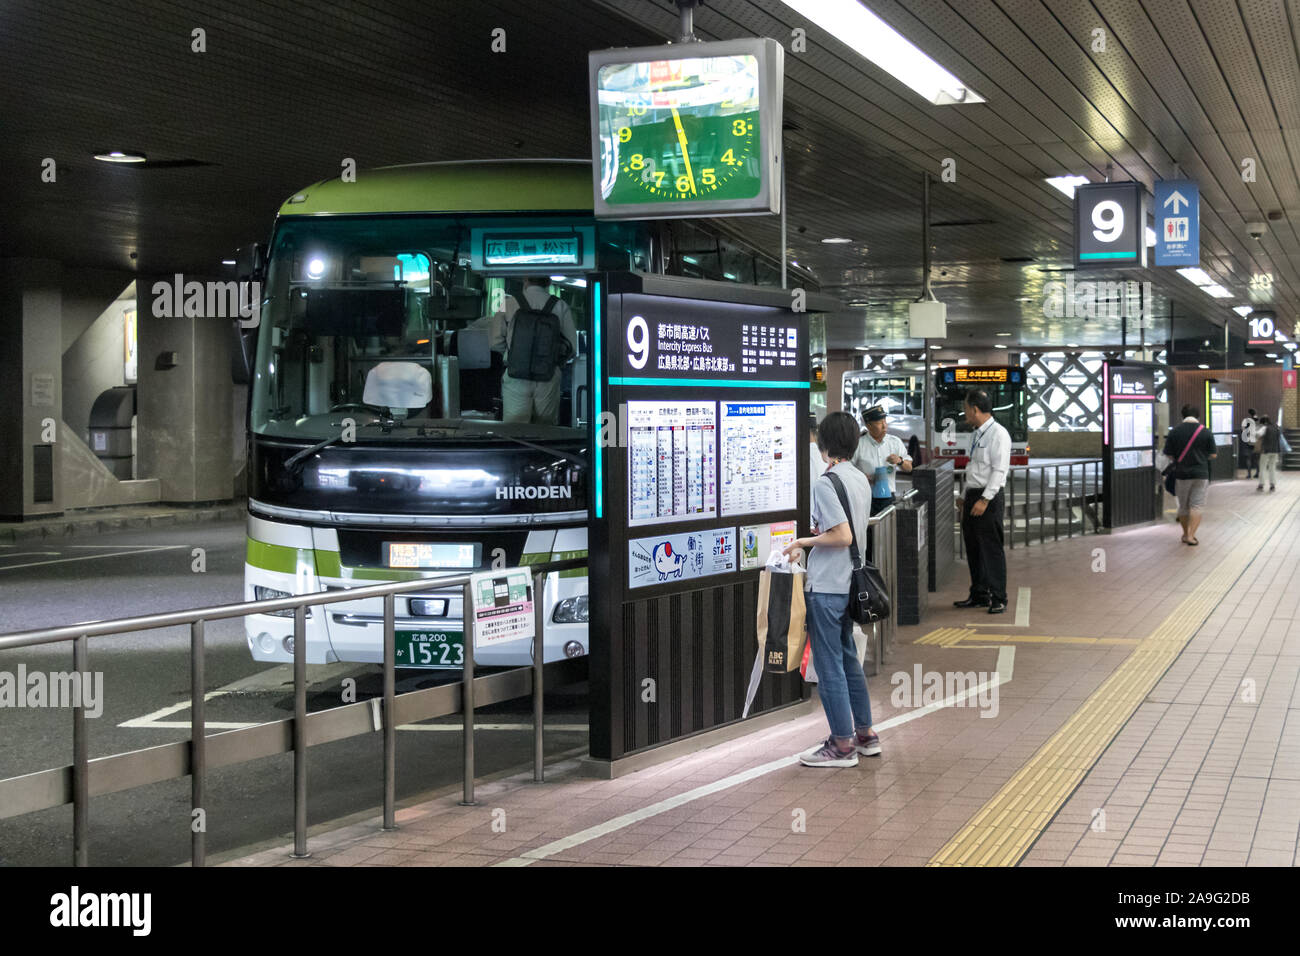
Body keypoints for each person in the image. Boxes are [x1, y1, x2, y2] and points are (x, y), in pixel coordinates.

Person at [783, 411, 879, 768]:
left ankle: (841, 744)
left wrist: (803, 541)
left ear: (823, 443)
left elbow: (841, 535)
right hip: (849, 584)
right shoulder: (858, 478)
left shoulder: (826, 482)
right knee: (848, 659)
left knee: (828, 666)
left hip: (826, 586)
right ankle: (865, 735)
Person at [490, 277, 577, 425]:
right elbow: (571, 348)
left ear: (525, 281)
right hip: (548, 377)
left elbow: (494, 342)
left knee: (515, 430)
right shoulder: (560, 306)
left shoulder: (508, 303)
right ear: (549, 283)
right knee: (545, 429)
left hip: (516, 376)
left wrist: (514, 353)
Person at [954, 389, 1012, 614]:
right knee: (974, 548)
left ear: (975, 409)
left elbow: (999, 471)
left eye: (966, 409)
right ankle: (979, 594)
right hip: (972, 495)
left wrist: (985, 499)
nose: (964, 413)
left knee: (991, 549)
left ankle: (999, 597)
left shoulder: (999, 434)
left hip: (988, 498)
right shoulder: (977, 433)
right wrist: (963, 497)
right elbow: (973, 469)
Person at [851, 405, 913, 561]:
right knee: (867, 537)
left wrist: (899, 461)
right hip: (866, 499)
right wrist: (862, 477)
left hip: (888, 498)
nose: (884, 425)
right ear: (869, 425)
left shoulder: (895, 442)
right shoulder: (859, 444)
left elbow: (909, 467)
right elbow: (848, 469)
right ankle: (869, 568)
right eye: (879, 422)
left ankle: (887, 567)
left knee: (889, 537)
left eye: (885, 420)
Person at [1163, 404, 1218, 545]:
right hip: (1201, 473)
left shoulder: (1175, 432)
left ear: (1182, 416)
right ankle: (1191, 536)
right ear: (1198, 416)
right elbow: (1213, 454)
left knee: (1183, 506)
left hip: (1181, 474)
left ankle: (1185, 533)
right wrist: (1201, 457)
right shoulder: (1205, 432)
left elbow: (1168, 454)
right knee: (1197, 505)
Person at [1256, 414, 1281, 492]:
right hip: (1275, 450)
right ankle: (1272, 485)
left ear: (1263, 422)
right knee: (1272, 468)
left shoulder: (1264, 428)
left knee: (1262, 467)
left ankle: (1261, 484)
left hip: (1266, 451)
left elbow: (1257, 434)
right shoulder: (1276, 428)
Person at [1241, 408, 1259, 478]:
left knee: (1248, 458)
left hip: (1248, 441)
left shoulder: (1246, 420)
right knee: (1257, 459)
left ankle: (1249, 474)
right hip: (1256, 441)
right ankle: (1257, 473)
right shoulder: (1258, 420)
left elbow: (1243, 430)